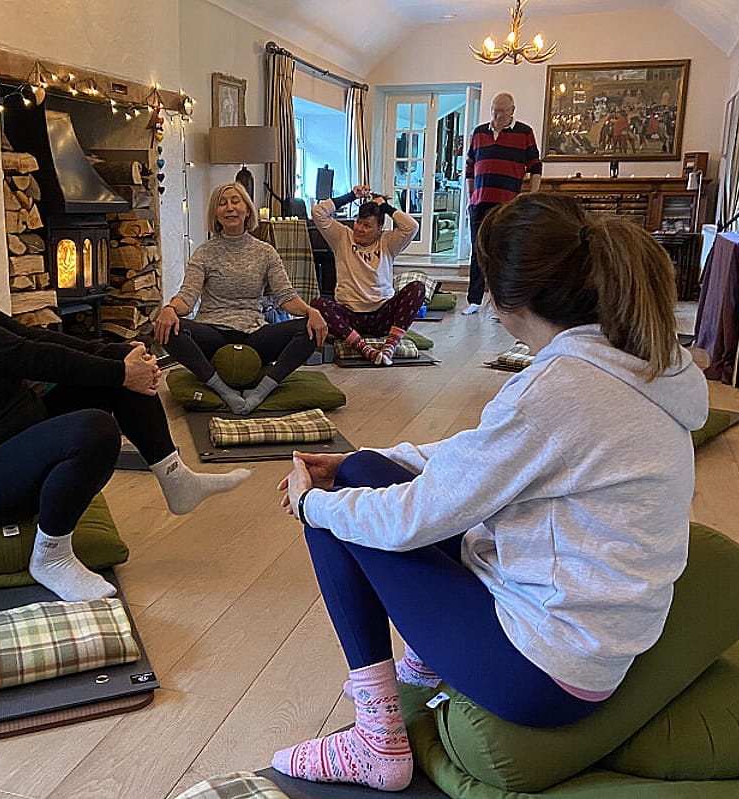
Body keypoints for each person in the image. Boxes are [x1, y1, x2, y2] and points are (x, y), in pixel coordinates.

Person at [271, 191, 709, 791]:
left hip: (544, 676)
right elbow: (479, 459)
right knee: (364, 470)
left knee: (338, 513)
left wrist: (311, 506)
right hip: (595, 646)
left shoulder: (558, 390)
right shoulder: (635, 358)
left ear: (508, 302)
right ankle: (428, 663)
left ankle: (377, 741)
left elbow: (414, 518)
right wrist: (373, 459)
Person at [0, 179, 249, 602]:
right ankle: (50, 555)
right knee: (96, 430)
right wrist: (118, 373)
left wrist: (115, 356)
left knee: (116, 362)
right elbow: (24, 356)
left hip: (6, 433)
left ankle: (175, 479)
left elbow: (29, 337)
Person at [155, 182, 327, 414]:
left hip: (254, 334)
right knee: (168, 331)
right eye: (222, 203)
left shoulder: (265, 252)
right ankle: (223, 390)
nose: (229, 208)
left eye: (235, 201)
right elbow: (187, 297)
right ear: (215, 214)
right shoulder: (204, 252)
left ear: (247, 209)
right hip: (213, 334)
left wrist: (311, 312)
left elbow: (286, 297)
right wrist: (169, 309)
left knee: (310, 331)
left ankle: (262, 391)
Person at [310, 185, 420, 365]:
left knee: (417, 288)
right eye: (358, 222)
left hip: (382, 315)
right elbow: (318, 212)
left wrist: (386, 208)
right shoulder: (341, 236)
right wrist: (352, 196)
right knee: (317, 304)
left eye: (367, 225)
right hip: (350, 317)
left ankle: (389, 347)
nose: (359, 229)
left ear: (379, 228)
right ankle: (364, 349)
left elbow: (411, 227)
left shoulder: (388, 242)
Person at [463, 92, 543, 315]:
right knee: (478, 250)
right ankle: (474, 300)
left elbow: (535, 167)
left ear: (512, 111)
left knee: (506, 252)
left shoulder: (524, 132)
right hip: (479, 203)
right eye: (494, 111)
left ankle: (505, 302)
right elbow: (469, 167)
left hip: (507, 204)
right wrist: (471, 196)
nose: (497, 116)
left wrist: (530, 196)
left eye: (502, 112)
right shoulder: (479, 132)